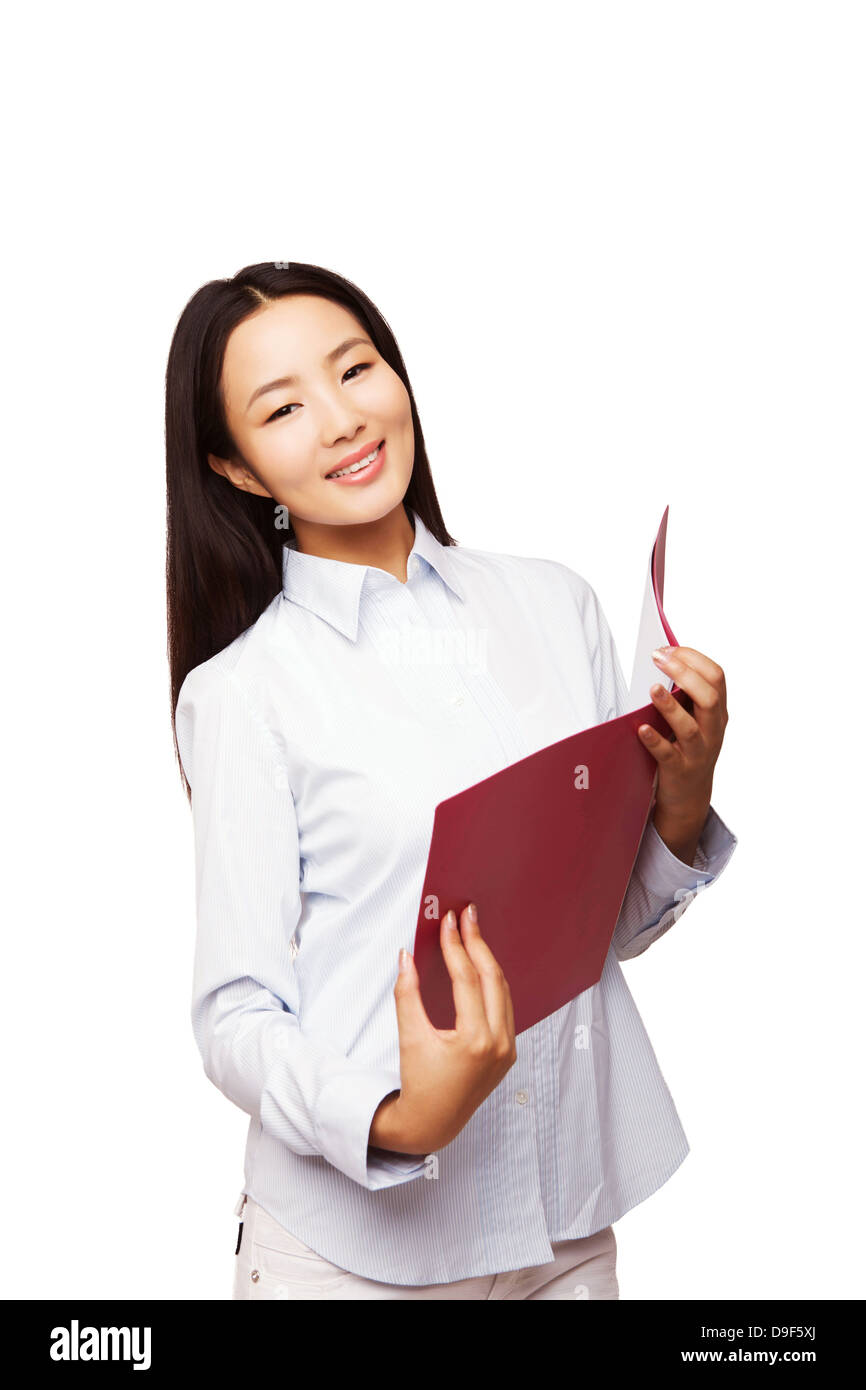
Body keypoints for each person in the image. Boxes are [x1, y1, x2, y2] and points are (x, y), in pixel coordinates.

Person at [166, 261, 737, 1300]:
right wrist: (400, 1119)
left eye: (356, 368)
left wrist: (680, 800)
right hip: (355, 1255)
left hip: (564, 1225)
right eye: (284, 407)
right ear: (238, 469)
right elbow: (235, 1014)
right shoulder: (245, 692)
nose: (341, 419)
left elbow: (591, 936)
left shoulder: (552, 605)